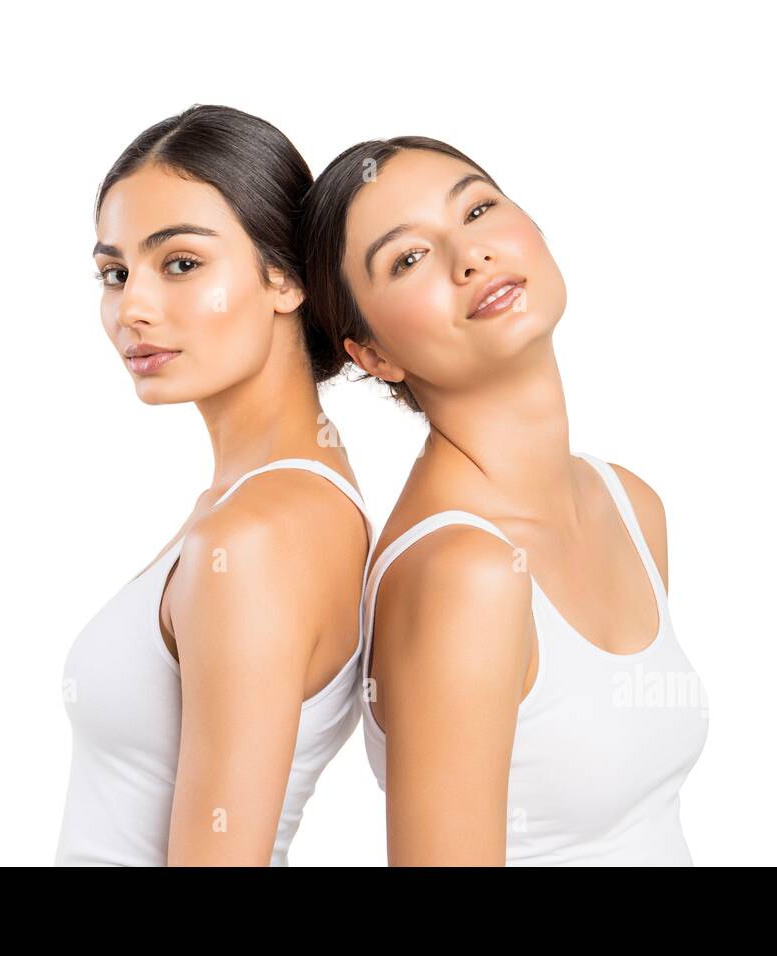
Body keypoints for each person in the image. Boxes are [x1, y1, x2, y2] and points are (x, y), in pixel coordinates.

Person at [299, 136, 710, 865]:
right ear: (372, 356)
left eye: (479, 208)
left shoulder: (628, 503)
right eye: (408, 258)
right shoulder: (463, 571)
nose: (471, 257)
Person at [54, 105, 374, 866]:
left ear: (285, 277)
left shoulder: (256, 537)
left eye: (182, 263)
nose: (132, 305)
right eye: (115, 272)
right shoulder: (263, 504)